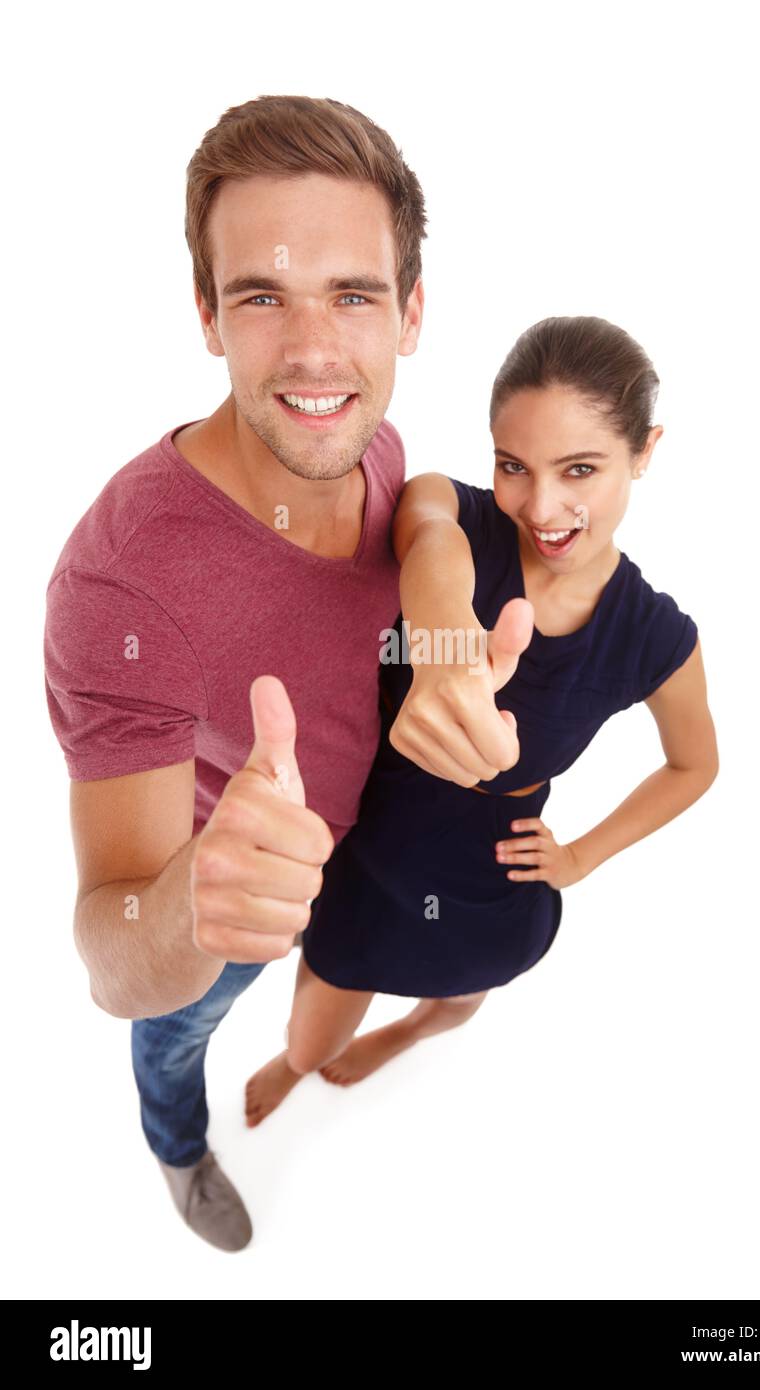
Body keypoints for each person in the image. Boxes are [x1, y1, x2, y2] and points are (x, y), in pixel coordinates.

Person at [42, 94, 522, 1253]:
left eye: (351, 294)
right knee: (169, 1039)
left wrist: (443, 608)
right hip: (221, 917)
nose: (313, 351)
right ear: (207, 315)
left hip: (353, 856)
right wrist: (197, 896)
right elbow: (113, 956)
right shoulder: (120, 584)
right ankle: (174, 1144)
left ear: (409, 313)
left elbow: (415, 526)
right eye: (261, 294)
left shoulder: (374, 441)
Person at [243, 315, 720, 1119]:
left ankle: (407, 1035)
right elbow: (428, 535)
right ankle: (299, 1068)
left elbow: (694, 765)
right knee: (309, 1040)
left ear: (645, 452)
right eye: (513, 466)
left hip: (491, 879)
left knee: (460, 999)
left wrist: (579, 858)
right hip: (369, 848)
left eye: (580, 469)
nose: (542, 505)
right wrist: (442, 643)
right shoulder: (449, 511)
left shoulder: (656, 637)